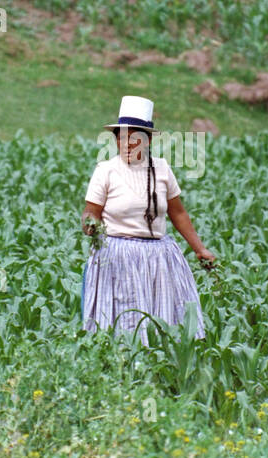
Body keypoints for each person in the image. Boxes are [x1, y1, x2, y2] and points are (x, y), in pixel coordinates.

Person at [80, 95, 216, 345]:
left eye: (135, 138)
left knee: (161, 319)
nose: (128, 144)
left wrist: (200, 249)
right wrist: (91, 226)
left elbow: (178, 213)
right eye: (122, 137)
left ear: (148, 140)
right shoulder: (106, 171)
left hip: (158, 257)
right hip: (118, 255)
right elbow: (91, 212)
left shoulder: (162, 169)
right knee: (123, 320)